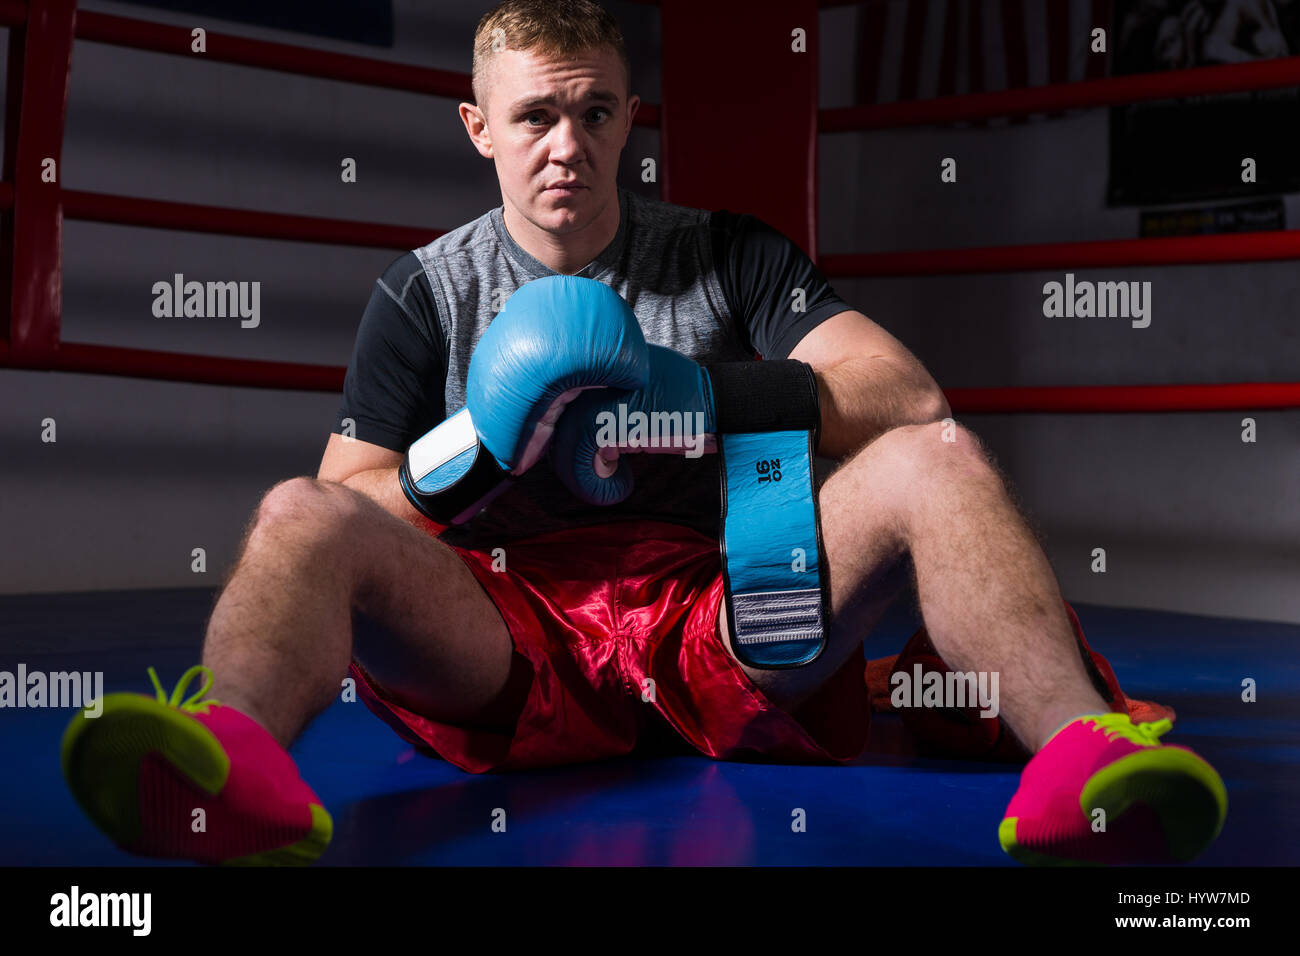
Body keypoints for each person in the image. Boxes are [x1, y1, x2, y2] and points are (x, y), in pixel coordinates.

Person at [61, 0, 1226, 866]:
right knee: (292, 512)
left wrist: (703, 392)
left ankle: (1085, 757)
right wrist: (482, 442)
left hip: (725, 612)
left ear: (628, 121)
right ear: (478, 126)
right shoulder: (422, 292)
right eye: (534, 115)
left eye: (592, 111)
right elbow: (350, 502)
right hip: (503, 635)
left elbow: (906, 391)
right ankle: (227, 757)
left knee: (942, 460)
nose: (564, 143)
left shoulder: (727, 252)